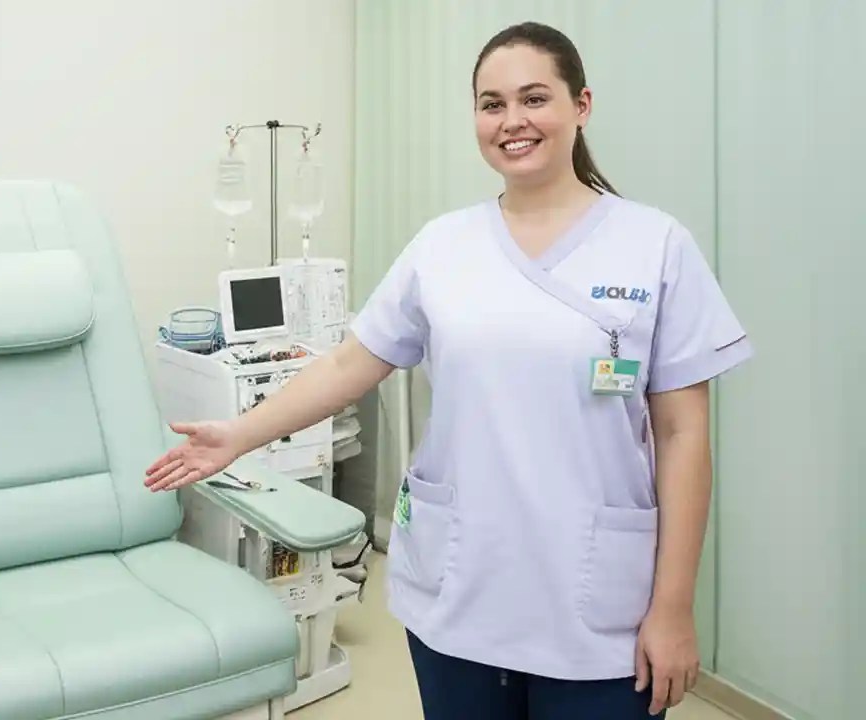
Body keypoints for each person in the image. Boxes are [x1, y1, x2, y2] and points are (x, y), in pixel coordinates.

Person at [145, 20, 752, 720]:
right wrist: (239, 434)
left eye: (534, 98)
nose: (512, 120)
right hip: (460, 590)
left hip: (598, 604)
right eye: (492, 104)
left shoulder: (654, 246)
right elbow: (349, 363)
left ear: (581, 105)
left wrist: (673, 607)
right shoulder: (444, 246)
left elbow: (682, 435)